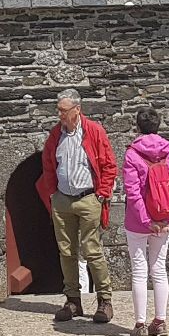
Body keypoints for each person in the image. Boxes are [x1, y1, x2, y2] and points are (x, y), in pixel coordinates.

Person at [35, 91, 117, 324]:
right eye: (59, 110)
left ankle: (104, 300)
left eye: (63, 110)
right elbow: (48, 164)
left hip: (88, 198)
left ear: (77, 110)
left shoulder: (94, 131)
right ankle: (73, 300)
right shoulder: (55, 135)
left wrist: (102, 195)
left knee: (92, 250)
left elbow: (109, 165)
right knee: (66, 251)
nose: (59, 114)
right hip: (62, 199)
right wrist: (53, 194)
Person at [120, 107, 169, 336]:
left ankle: (140, 324)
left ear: (137, 126)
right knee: (158, 269)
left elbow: (133, 192)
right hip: (164, 218)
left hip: (138, 221)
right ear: (158, 125)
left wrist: (145, 220)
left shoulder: (132, 154)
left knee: (139, 270)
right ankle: (161, 321)